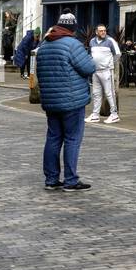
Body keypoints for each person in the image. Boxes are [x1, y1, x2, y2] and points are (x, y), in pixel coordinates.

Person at [35, 12, 96, 190]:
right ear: (72, 28)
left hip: (51, 100)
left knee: (53, 138)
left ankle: (51, 180)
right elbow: (89, 67)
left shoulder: (44, 44)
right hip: (72, 100)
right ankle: (70, 180)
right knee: (72, 139)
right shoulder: (73, 44)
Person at [87, 25, 122, 124]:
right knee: (96, 93)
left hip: (106, 71)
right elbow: (90, 54)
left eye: (104, 30)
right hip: (95, 71)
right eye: (101, 31)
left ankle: (114, 114)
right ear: (96, 32)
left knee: (109, 93)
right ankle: (95, 114)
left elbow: (118, 54)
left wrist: (109, 64)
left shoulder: (110, 41)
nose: (103, 32)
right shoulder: (92, 41)